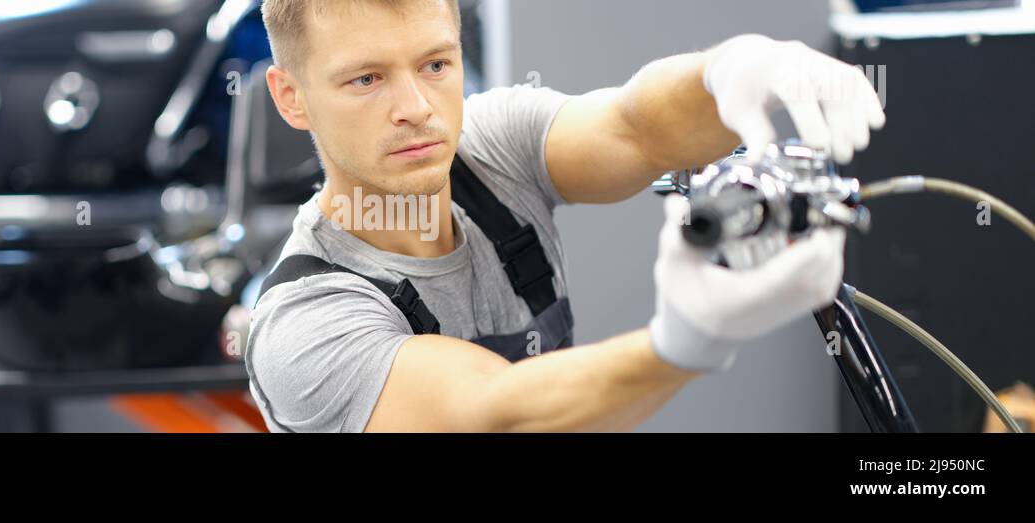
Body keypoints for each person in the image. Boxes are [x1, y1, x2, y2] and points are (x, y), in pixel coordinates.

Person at [245, 0, 885, 432]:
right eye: (366, 79)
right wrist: (683, 344)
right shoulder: (303, 323)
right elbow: (496, 414)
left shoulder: (490, 149)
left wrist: (725, 72)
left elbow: (635, 128)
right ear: (291, 97)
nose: (416, 106)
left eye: (435, 64)